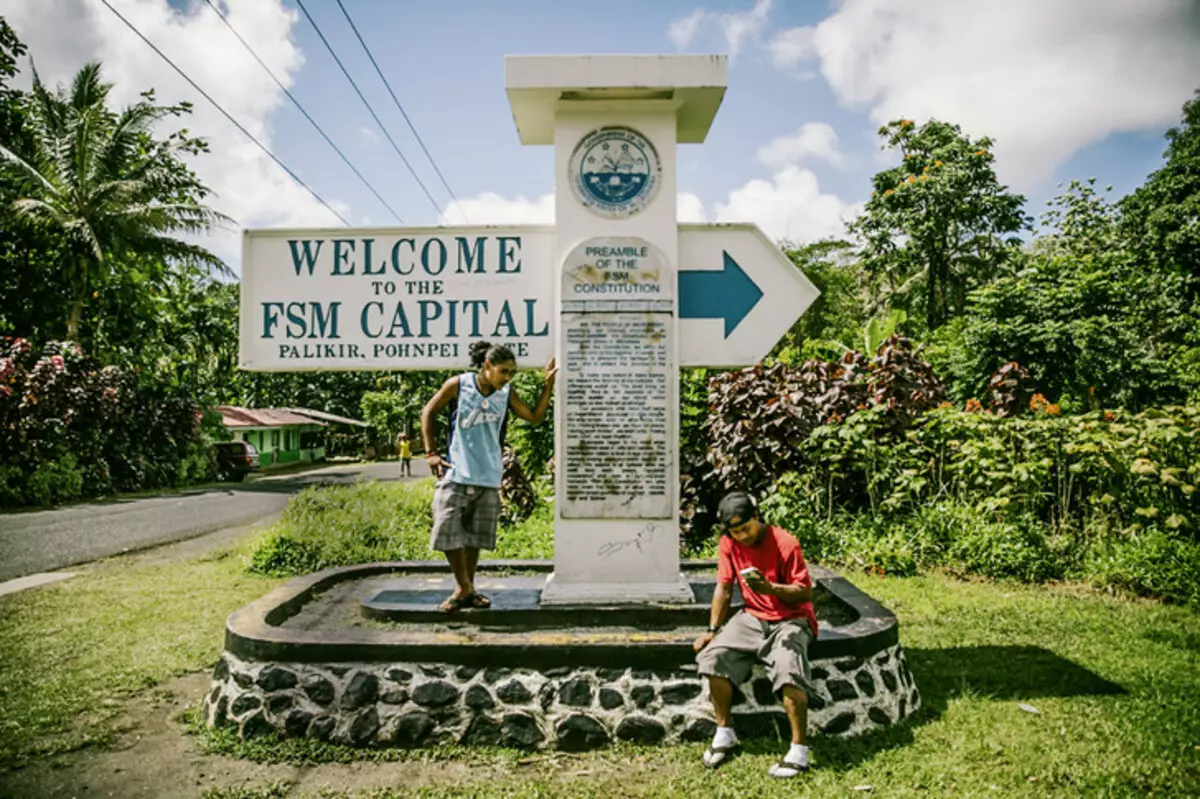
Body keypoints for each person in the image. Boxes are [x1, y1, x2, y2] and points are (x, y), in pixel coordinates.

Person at [420, 341, 556, 612]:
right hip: (456, 472)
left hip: (488, 475)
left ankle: (466, 591)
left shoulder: (505, 394)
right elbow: (428, 411)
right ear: (487, 366)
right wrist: (430, 453)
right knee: (446, 529)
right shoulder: (458, 384)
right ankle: (464, 586)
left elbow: (534, 417)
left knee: (473, 539)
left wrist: (548, 386)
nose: (507, 378)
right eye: (504, 371)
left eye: (511, 373)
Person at [693, 491, 820, 779]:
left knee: (788, 667)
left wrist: (772, 589)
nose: (742, 536)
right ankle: (725, 732)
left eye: (746, 528)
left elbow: (805, 592)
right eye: (735, 532)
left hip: (791, 619)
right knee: (713, 656)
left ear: (757, 517)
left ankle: (799, 749)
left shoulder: (785, 542)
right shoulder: (728, 544)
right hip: (752, 617)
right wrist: (712, 630)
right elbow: (724, 588)